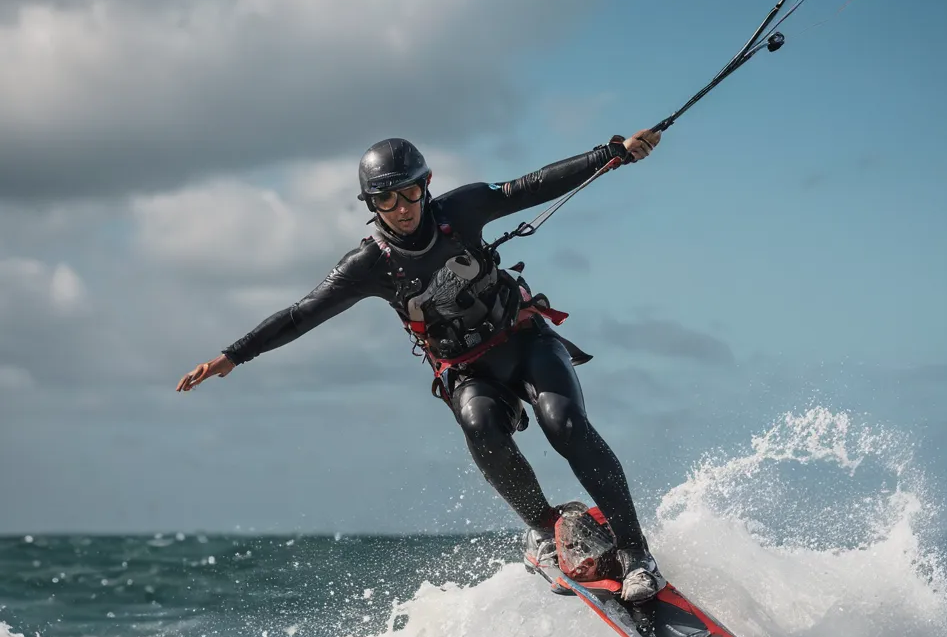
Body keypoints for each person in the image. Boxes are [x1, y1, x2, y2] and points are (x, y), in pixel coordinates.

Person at [177, 130, 666, 601]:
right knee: (480, 428)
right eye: (385, 200)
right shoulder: (368, 266)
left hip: (525, 341)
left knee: (564, 423)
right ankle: (545, 529)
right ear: (371, 206)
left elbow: (533, 185)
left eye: (408, 192)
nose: (401, 208)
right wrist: (234, 355)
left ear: (424, 186)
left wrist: (614, 151)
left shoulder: (463, 209)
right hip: (470, 373)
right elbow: (301, 314)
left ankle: (636, 555)